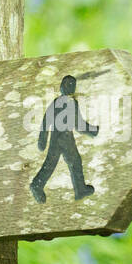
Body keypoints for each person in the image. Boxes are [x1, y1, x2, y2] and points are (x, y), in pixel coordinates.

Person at [30, 74, 98, 203]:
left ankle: (79, 188)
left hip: (60, 139)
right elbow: (79, 125)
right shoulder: (71, 103)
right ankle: (37, 185)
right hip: (64, 139)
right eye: (70, 85)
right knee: (67, 162)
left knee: (62, 162)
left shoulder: (58, 102)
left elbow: (46, 122)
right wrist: (93, 131)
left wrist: (42, 140)